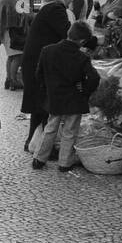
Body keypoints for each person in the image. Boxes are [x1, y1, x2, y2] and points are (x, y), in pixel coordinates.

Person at [32, 20, 99, 172]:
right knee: (70, 131)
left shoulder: (47, 50)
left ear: (69, 33)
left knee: (50, 128)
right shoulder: (81, 57)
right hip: (74, 99)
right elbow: (94, 78)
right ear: (82, 41)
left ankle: (39, 159)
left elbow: (38, 75)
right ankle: (64, 163)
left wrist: (48, 88)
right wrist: (85, 90)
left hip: (54, 97)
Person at [20, 0, 73, 151]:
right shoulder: (56, 8)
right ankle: (43, 147)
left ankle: (33, 142)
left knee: (39, 103)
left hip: (35, 61)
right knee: (44, 103)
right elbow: (68, 33)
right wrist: (90, 40)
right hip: (39, 63)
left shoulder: (48, 7)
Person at [0, 0, 25, 90]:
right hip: (11, 31)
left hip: (7, 31)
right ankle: (13, 81)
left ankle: (8, 79)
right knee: (17, 56)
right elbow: (16, 15)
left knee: (11, 57)